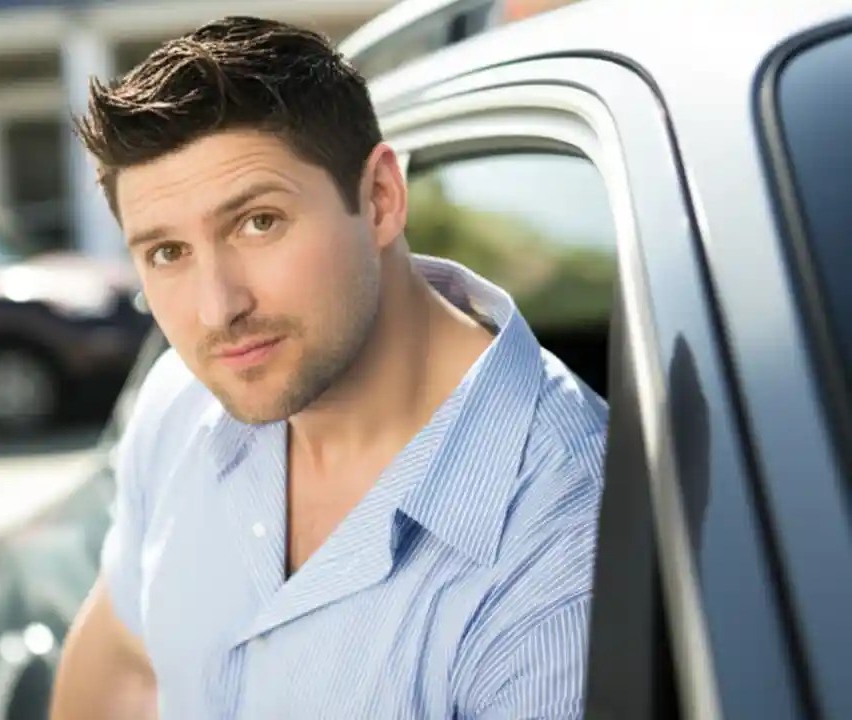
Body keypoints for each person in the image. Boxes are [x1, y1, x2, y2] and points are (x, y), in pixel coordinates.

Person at [50, 16, 607, 720]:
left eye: (258, 222)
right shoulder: (178, 405)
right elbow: (125, 674)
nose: (217, 309)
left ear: (379, 199)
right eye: (167, 253)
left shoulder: (564, 544)